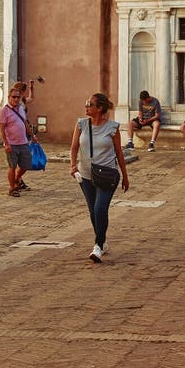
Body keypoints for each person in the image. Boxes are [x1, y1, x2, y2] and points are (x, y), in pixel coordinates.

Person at [70, 92, 130, 263]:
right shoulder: (81, 124)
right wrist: (73, 165)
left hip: (107, 175)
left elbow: (119, 153)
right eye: (86, 103)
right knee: (93, 211)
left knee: (100, 209)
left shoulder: (112, 128)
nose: (86, 107)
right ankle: (102, 242)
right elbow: (74, 147)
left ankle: (97, 246)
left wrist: (125, 176)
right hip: (85, 175)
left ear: (99, 108)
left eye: (90, 104)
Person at [0, 85, 34, 197]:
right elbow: (2, 129)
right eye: (13, 97)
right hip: (12, 144)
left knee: (26, 165)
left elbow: (25, 123)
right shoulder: (5, 111)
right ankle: (12, 188)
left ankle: (17, 179)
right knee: (12, 166)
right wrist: (6, 143)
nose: (16, 99)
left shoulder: (21, 109)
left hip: (23, 142)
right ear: (9, 97)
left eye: (18, 97)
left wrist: (32, 135)